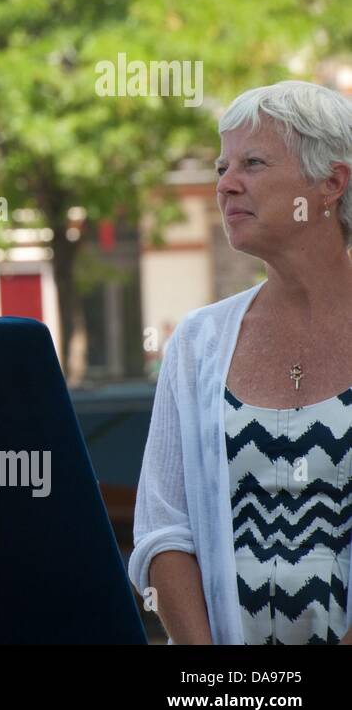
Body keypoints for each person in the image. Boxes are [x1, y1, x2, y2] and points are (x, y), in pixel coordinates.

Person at [131, 80, 352, 645]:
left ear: (331, 182)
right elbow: (163, 530)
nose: (226, 185)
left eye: (252, 163)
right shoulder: (198, 343)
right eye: (221, 166)